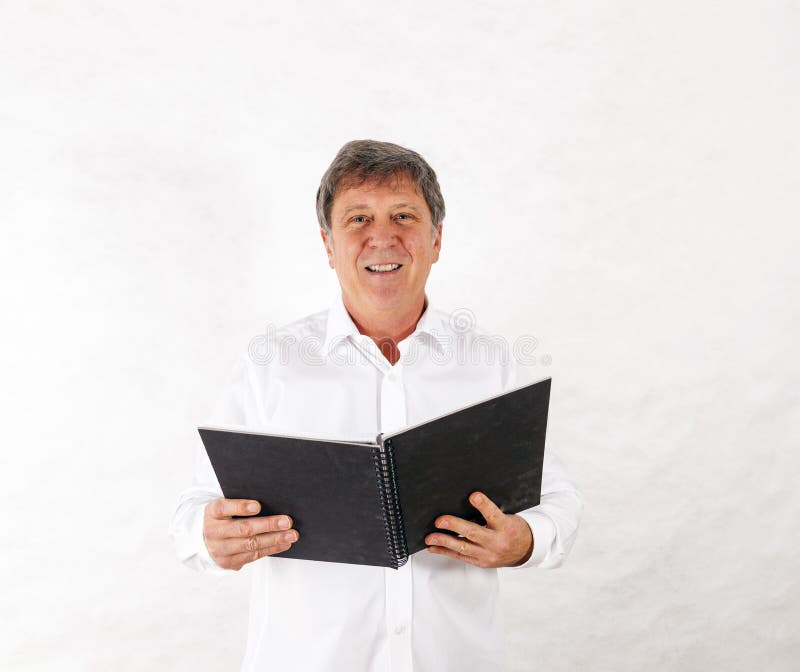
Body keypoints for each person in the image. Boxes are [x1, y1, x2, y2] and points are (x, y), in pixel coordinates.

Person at [169, 139, 583, 671]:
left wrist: (524, 540)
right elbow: (191, 512)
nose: (381, 237)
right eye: (358, 218)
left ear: (436, 240)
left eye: (404, 216)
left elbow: (560, 499)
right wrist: (209, 536)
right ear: (328, 244)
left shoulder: (491, 366)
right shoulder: (270, 365)